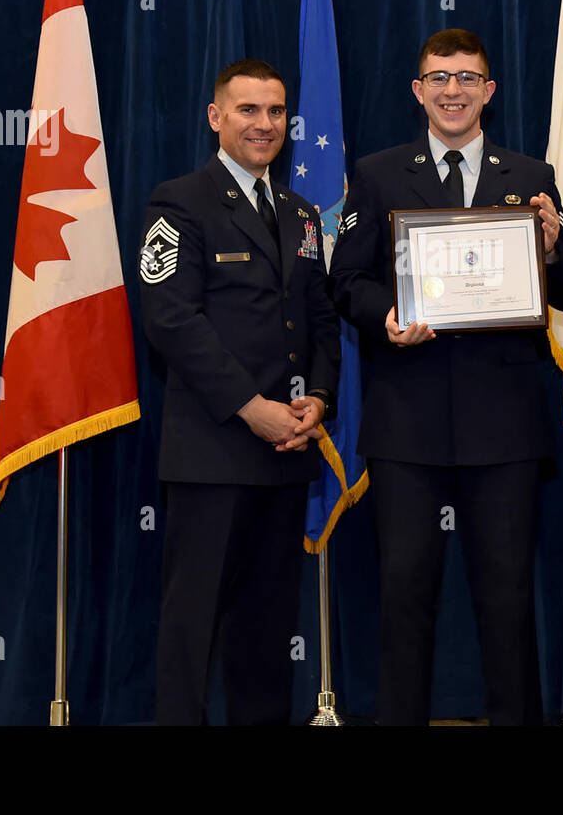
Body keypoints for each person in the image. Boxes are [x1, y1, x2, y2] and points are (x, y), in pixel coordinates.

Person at [327, 28, 563, 725]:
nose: (452, 90)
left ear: (488, 92)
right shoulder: (378, 174)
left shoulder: (530, 177)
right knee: (403, 593)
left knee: (507, 599)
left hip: (503, 427)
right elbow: (345, 279)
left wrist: (555, 249)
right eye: (439, 77)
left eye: (467, 78)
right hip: (406, 424)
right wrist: (386, 317)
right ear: (418, 90)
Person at [138, 59, 340, 725]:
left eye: (276, 111)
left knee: (265, 632)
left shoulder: (300, 211)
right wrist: (252, 409)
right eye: (248, 110)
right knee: (191, 630)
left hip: (285, 453)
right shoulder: (180, 201)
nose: (264, 124)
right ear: (215, 116)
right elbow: (170, 319)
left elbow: (317, 318)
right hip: (213, 452)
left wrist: (318, 397)